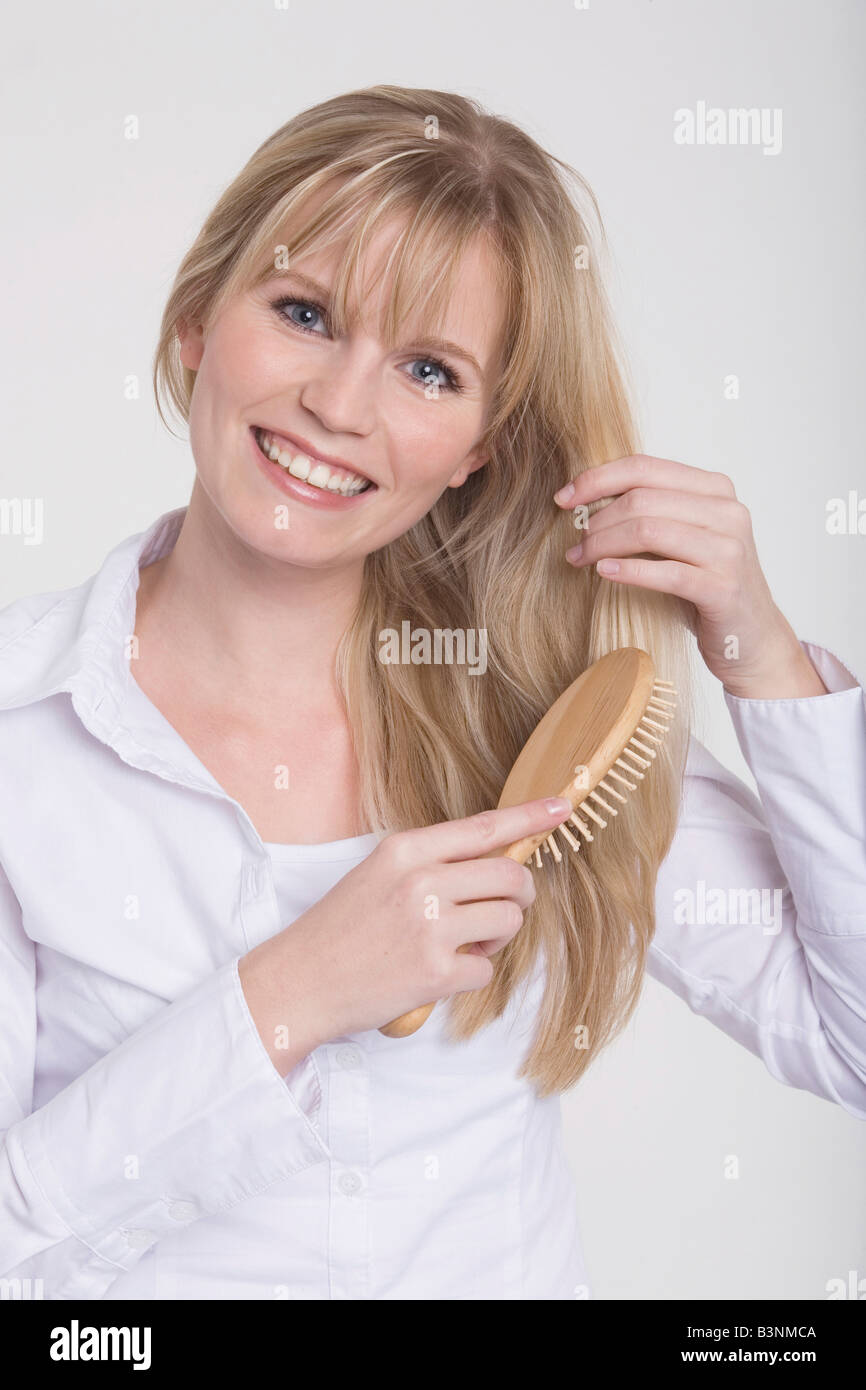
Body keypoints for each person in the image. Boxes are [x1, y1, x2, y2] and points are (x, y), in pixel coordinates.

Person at [0, 85, 863, 1301]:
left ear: (480, 449)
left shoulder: (538, 721)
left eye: (427, 369)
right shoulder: (18, 738)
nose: (340, 408)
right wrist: (292, 995)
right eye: (303, 313)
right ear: (197, 317)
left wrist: (762, 653)